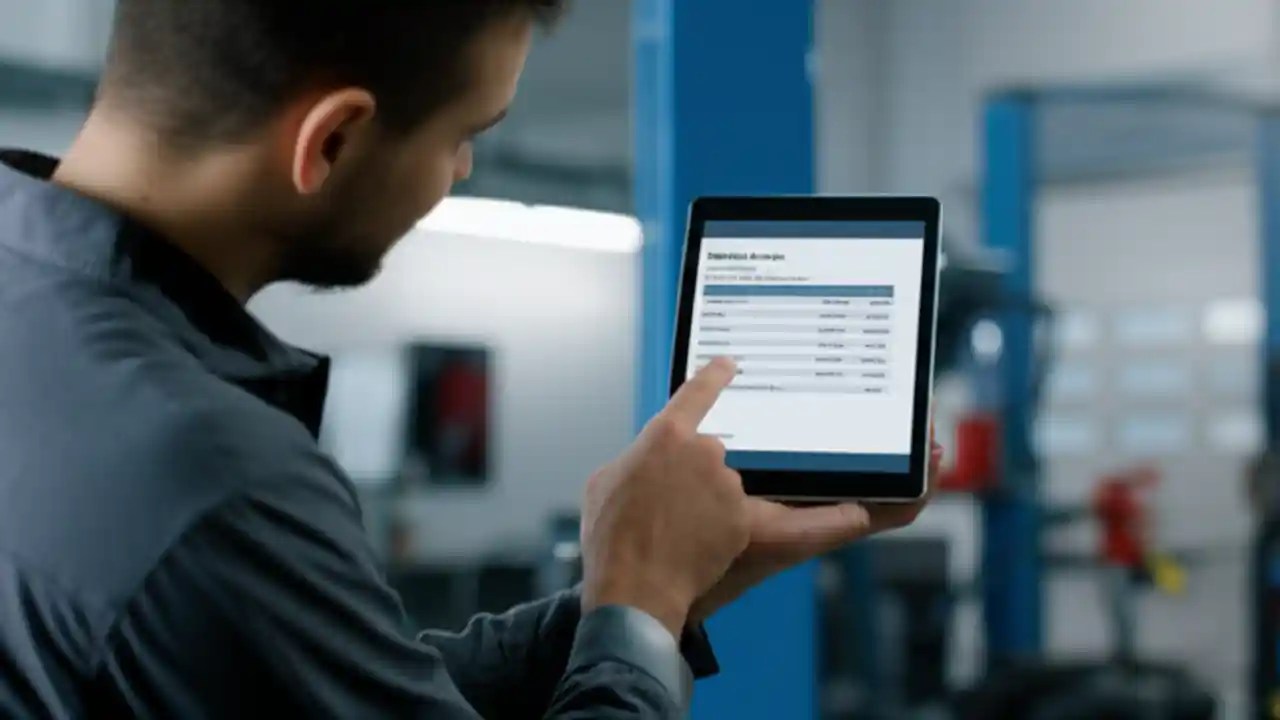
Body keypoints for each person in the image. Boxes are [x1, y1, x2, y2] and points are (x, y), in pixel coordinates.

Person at [0, 1, 938, 717]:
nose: (462, 172)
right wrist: (639, 612)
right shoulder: (215, 480)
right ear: (331, 139)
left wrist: (655, 586)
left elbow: (349, 683)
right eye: (463, 136)